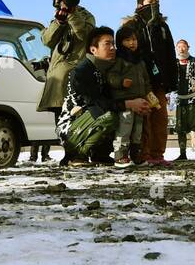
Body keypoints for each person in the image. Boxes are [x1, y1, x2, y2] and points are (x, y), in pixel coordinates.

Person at [58, 27, 148, 165]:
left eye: (113, 44)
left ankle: (100, 155)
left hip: (88, 121)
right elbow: (96, 104)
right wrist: (129, 104)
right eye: (107, 44)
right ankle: (76, 155)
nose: (113, 48)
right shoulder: (82, 71)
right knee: (111, 116)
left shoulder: (105, 69)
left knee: (122, 115)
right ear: (93, 49)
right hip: (71, 130)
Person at [34, 0, 94, 161]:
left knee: (77, 113)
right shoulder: (57, 18)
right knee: (60, 117)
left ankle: (79, 154)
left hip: (76, 72)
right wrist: (60, 20)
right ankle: (69, 152)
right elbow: (47, 40)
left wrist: (72, 13)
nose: (61, 3)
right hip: (58, 75)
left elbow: (84, 34)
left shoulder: (84, 14)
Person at [132, 0, 179, 167]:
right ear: (140, 4)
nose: (154, 5)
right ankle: (143, 154)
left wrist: (171, 81)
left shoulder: (163, 26)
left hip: (160, 82)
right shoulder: (133, 25)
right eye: (150, 2)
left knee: (160, 118)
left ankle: (157, 154)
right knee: (145, 119)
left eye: (157, 2)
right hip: (141, 81)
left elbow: (170, 53)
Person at [107, 21, 152, 167]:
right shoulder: (119, 59)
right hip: (125, 101)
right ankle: (120, 155)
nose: (132, 43)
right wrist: (121, 82)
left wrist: (149, 96)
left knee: (138, 130)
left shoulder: (140, 61)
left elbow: (146, 81)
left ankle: (136, 155)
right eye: (127, 40)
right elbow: (111, 77)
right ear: (120, 42)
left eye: (134, 39)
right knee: (124, 129)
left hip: (140, 100)